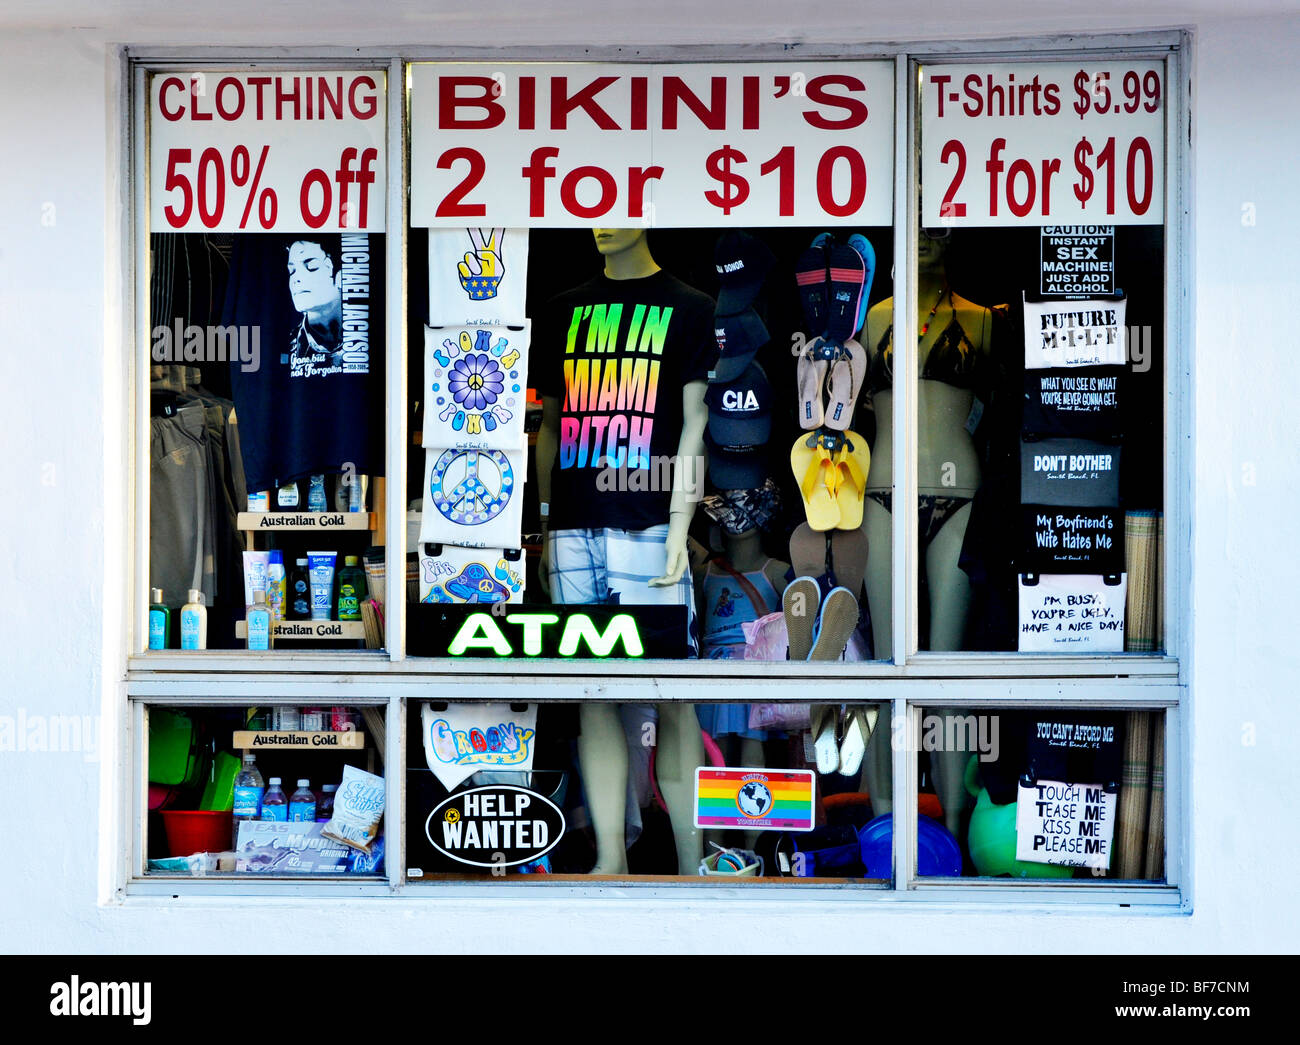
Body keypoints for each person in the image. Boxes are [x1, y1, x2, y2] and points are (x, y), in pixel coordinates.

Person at [535, 227, 715, 875]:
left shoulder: (690, 305)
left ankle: (693, 862)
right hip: (573, 529)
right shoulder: (562, 307)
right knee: (593, 691)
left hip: (648, 525)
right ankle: (611, 855)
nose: (602, 220)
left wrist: (677, 525)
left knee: (673, 692)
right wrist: (546, 521)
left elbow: (696, 425)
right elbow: (551, 424)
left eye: (619, 204)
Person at [286, 237, 344, 377]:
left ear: (340, 275)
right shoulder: (284, 345)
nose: (296, 278)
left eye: (311, 266)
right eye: (291, 270)